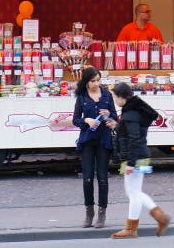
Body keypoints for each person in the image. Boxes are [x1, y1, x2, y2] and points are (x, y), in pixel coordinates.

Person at [109, 82, 171, 238]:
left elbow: (134, 138)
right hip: (139, 156)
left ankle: (132, 228)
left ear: (122, 97)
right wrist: (117, 126)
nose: (114, 101)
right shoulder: (134, 111)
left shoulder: (130, 115)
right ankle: (158, 218)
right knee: (134, 192)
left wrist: (130, 163)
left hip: (134, 158)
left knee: (133, 193)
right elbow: (132, 134)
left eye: (115, 97)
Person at [72, 66, 117, 228]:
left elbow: (114, 116)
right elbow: (75, 119)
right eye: (93, 81)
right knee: (87, 178)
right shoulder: (82, 97)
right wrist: (86, 120)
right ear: (86, 81)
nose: (96, 84)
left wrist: (109, 116)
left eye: (98, 80)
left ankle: (102, 213)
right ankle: (89, 212)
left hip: (104, 140)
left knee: (103, 178)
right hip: (88, 140)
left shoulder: (107, 95)